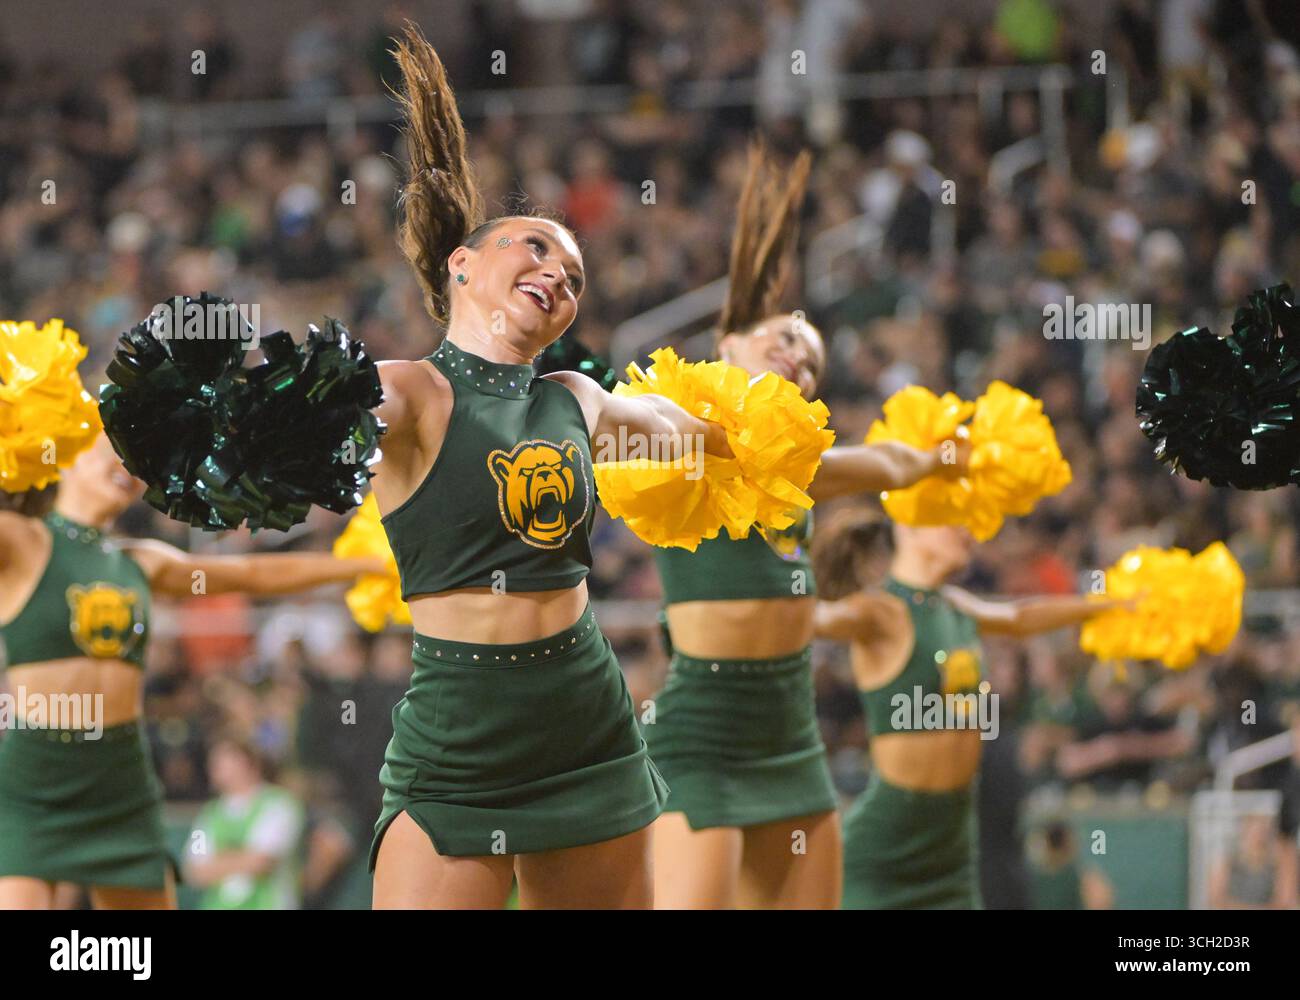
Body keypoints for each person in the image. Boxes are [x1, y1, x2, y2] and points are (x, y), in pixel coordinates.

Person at [365, 25, 740, 909]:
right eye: (533, 247)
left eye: (573, 275)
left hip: (586, 721)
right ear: (462, 264)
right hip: (459, 732)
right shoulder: (408, 391)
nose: (558, 274)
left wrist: (780, 432)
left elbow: (697, 434)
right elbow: (321, 417)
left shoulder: (575, 395)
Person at [645, 142, 967, 909]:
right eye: (784, 338)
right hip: (705, 735)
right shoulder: (680, 434)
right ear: (726, 347)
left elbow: (886, 465)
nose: (800, 358)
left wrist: (944, 454)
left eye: (814, 362)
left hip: (791, 733)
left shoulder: (800, 471)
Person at [0, 435, 384, 909]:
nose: (127, 467)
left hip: (122, 778)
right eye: (107, 453)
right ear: (61, 458)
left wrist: (368, 565)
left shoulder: (138, 561)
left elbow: (250, 577)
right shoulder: (23, 541)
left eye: (132, 460)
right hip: (37, 776)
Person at [812, 508, 1124, 909]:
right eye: (951, 519)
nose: (967, 529)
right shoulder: (881, 610)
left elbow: (1019, 616)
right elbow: (816, 619)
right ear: (911, 526)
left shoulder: (954, 605)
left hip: (955, 846)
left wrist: (1111, 605)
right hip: (888, 845)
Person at [185, 734, 305, 909]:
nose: (217, 768)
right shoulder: (209, 814)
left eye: (227, 760)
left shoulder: (280, 804)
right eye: (215, 763)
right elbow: (194, 870)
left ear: (251, 763)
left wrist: (217, 861)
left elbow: (262, 860)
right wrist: (243, 858)